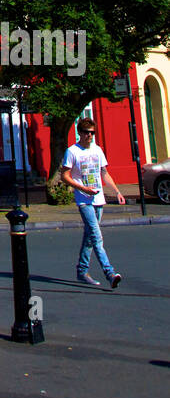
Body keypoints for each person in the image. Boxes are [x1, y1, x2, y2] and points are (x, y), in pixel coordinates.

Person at [60, 117, 126, 288]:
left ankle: (82, 271)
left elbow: (104, 172)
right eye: (87, 133)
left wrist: (117, 192)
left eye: (92, 133)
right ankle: (110, 273)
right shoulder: (72, 151)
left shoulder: (97, 150)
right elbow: (64, 176)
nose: (90, 136)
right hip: (84, 200)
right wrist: (82, 188)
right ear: (80, 133)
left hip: (98, 198)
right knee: (97, 237)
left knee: (90, 237)